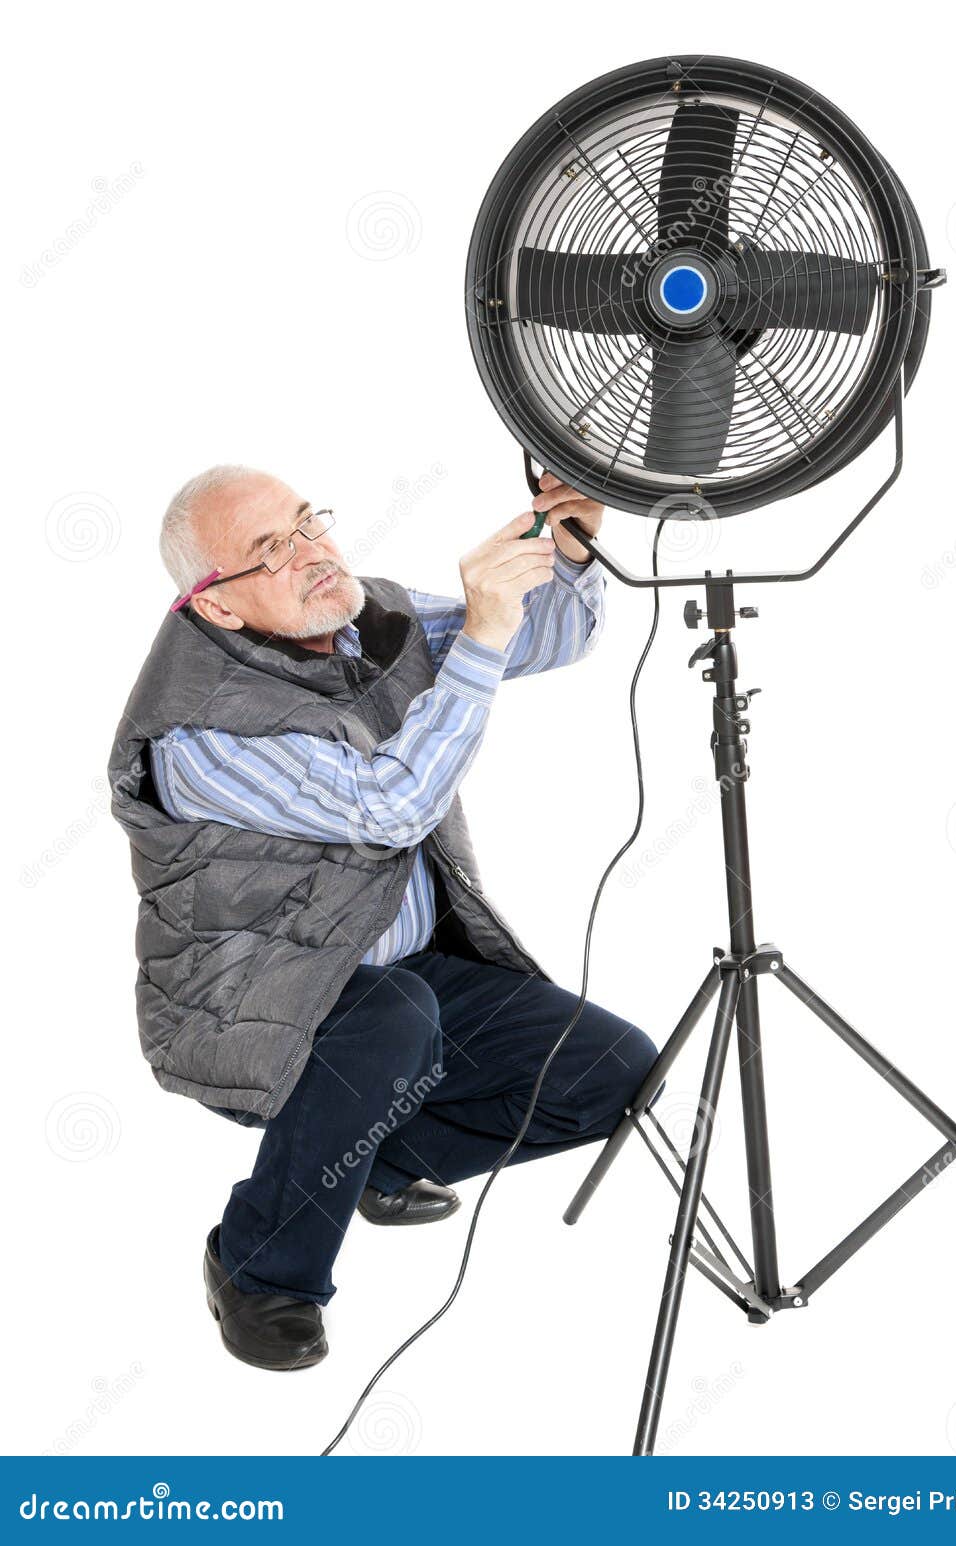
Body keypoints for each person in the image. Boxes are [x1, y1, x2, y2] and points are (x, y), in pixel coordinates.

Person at [109, 464, 658, 1371]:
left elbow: (541, 639)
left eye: (306, 522)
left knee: (613, 1073)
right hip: (253, 1000)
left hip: (400, 979)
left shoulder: (372, 623)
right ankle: (259, 1271)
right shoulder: (197, 735)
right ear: (218, 607)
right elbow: (389, 806)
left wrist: (564, 541)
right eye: (270, 551)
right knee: (390, 1021)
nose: (314, 553)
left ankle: (382, 1161)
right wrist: (479, 637)